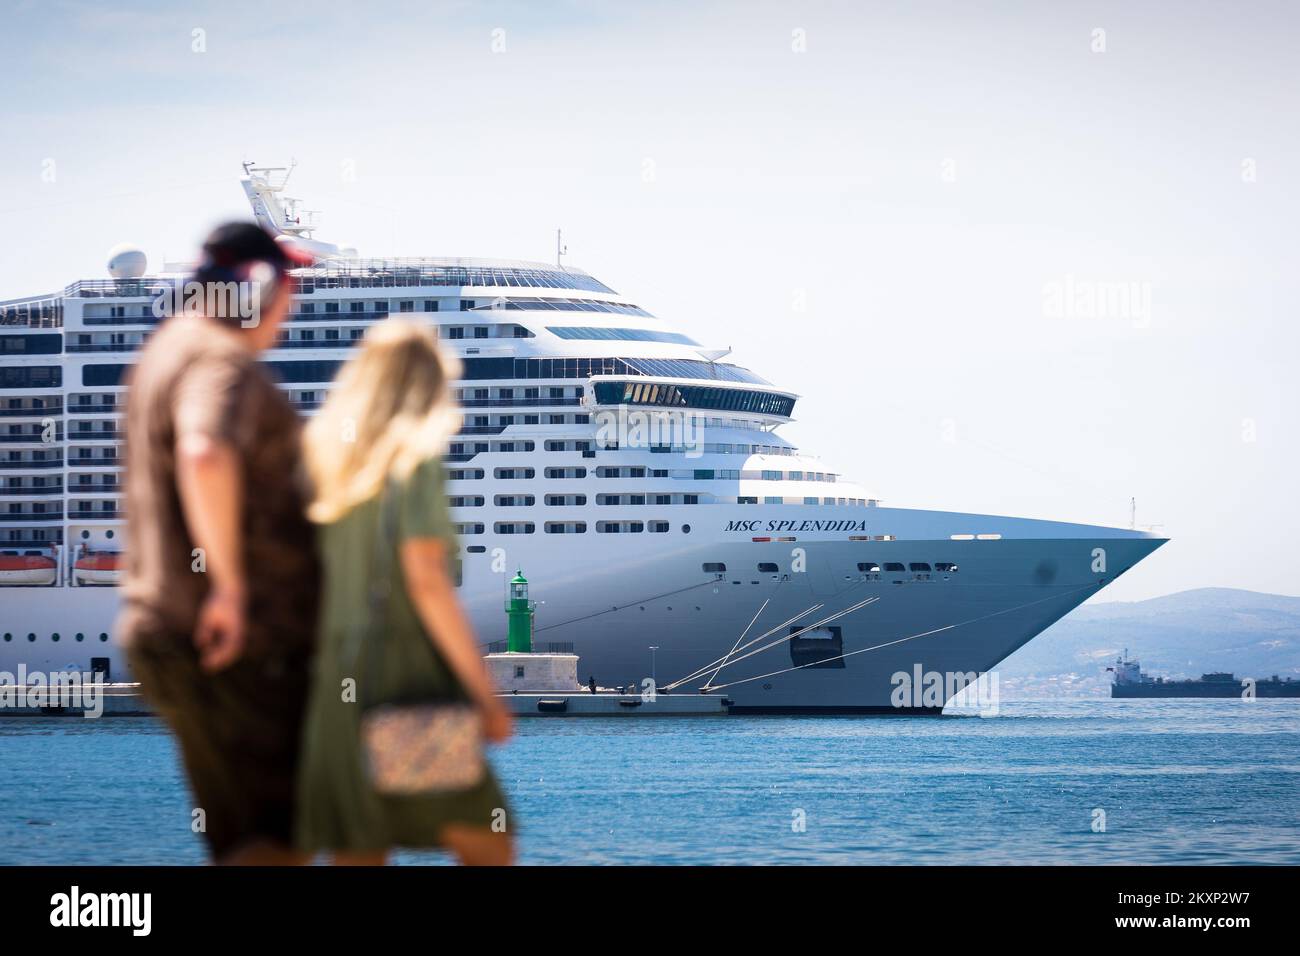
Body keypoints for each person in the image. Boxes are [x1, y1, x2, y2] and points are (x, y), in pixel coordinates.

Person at [117, 222, 318, 864]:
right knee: (276, 839)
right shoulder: (215, 357)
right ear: (256, 287)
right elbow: (204, 452)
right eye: (289, 291)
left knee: (244, 840)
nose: (290, 310)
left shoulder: (164, 351)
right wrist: (229, 588)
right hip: (234, 640)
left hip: (172, 627)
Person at [297, 318, 514, 866]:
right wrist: (486, 696)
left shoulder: (324, 462)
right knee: (488, 840)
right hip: (402, 676)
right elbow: (427, 581)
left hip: (330, 685)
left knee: (358, 847)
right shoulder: (413, 460)